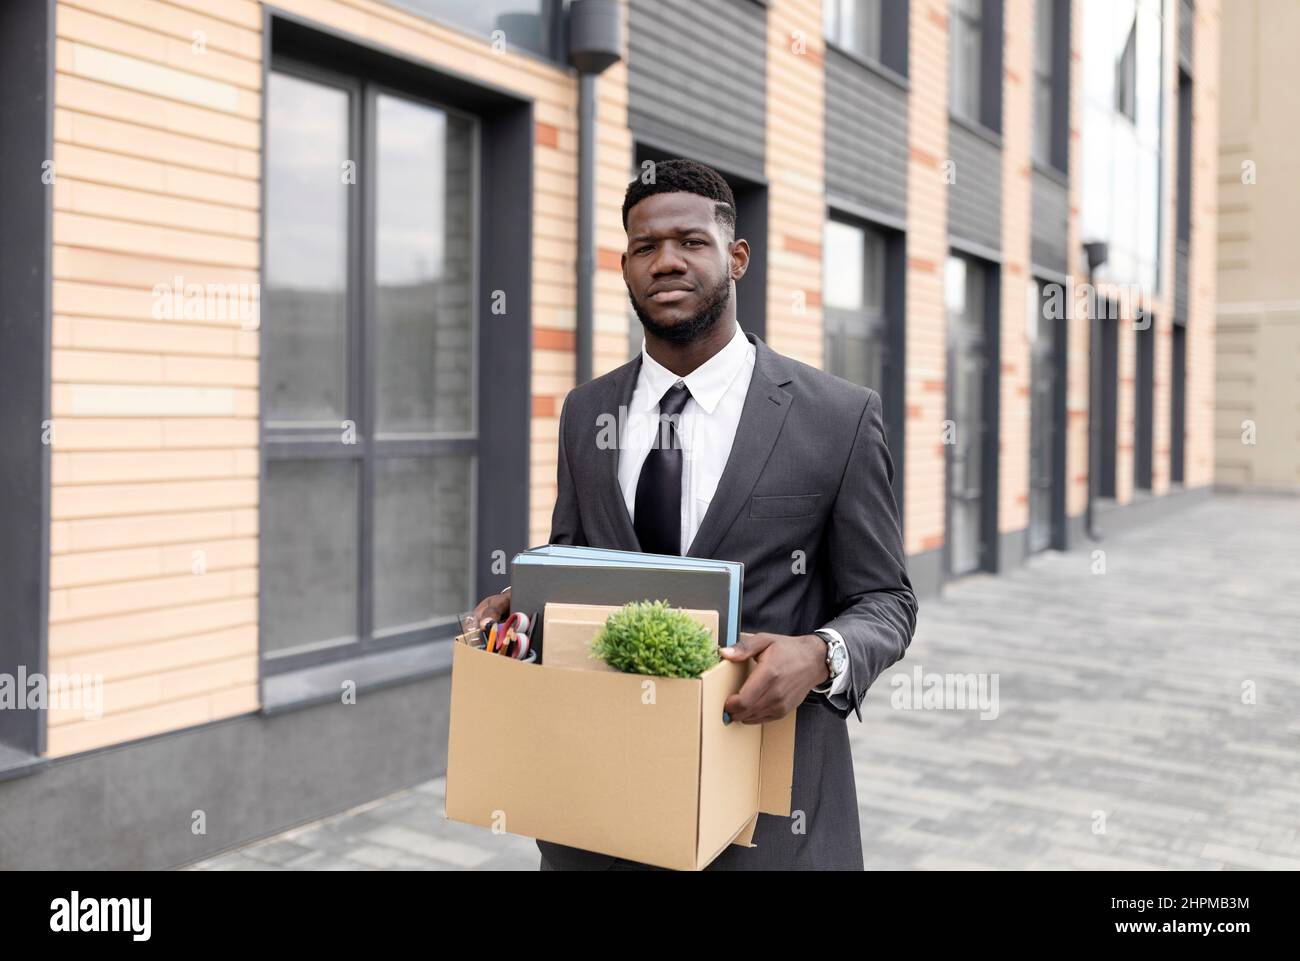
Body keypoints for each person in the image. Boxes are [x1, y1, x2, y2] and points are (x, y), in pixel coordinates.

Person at [471, 158, 917, 870]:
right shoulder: (587, 412)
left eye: (690, 241)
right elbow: (576, 553)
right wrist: (523, 604)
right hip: (599, 811)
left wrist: (820, 653)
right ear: (624, 266)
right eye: (645, 247)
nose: (666, 260)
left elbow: (885, 600)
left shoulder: (837, 416)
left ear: (736, 256)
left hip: (769, 814)